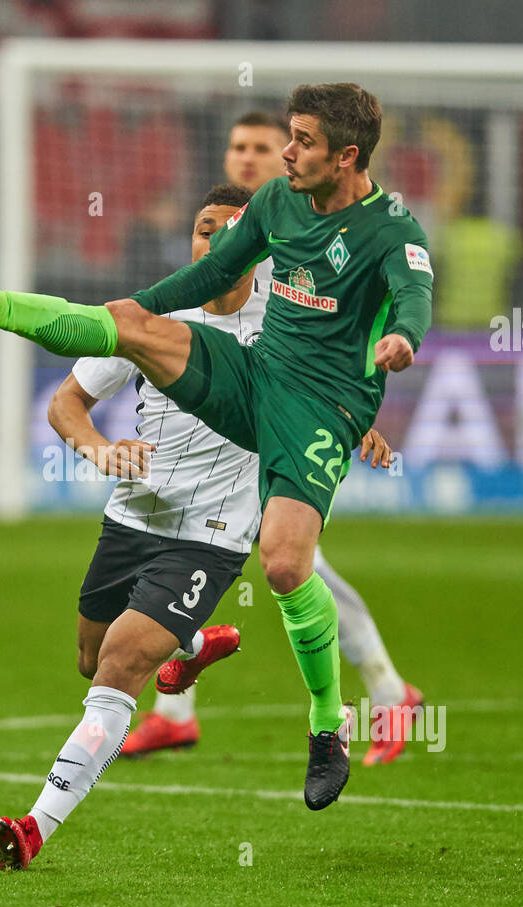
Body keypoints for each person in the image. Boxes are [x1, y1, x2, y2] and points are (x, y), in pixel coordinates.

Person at [0, 81, 432, 828]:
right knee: (133, 320)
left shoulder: (393, 229)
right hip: (254, 377)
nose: (287, 152)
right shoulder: (273, 205)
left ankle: (328, 723)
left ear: (347, 156)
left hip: (323, 406)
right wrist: (136, 317)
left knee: (289, 563)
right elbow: (199, 279)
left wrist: (403, 341)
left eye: (301, 141)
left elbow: (414, 295)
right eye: (284, 137)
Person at [0, 184, 394, 870]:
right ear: (192, 245)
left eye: (233, 232)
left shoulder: (285, 326)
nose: (216, 243)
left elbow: (332, 382)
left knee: (116, 667)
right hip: (132, 516)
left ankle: (35, 826)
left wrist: (357, 421)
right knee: (89, 654)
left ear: (258, 251)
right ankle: (192, 643)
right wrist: (98, 449)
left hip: (210, 534)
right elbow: (66, 402)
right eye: (204, 230)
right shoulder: (156, 319)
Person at [126, 109, 423, 762]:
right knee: (245, 551)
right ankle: (178, 708)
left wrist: (354, 415)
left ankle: (384, 690)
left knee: (282, 561)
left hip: (285, 420)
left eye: (266, 146)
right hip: (232, 413)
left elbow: (343, 333)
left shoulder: (302, 237)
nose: (251, 156)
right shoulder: (241, 230)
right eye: (240, 145)